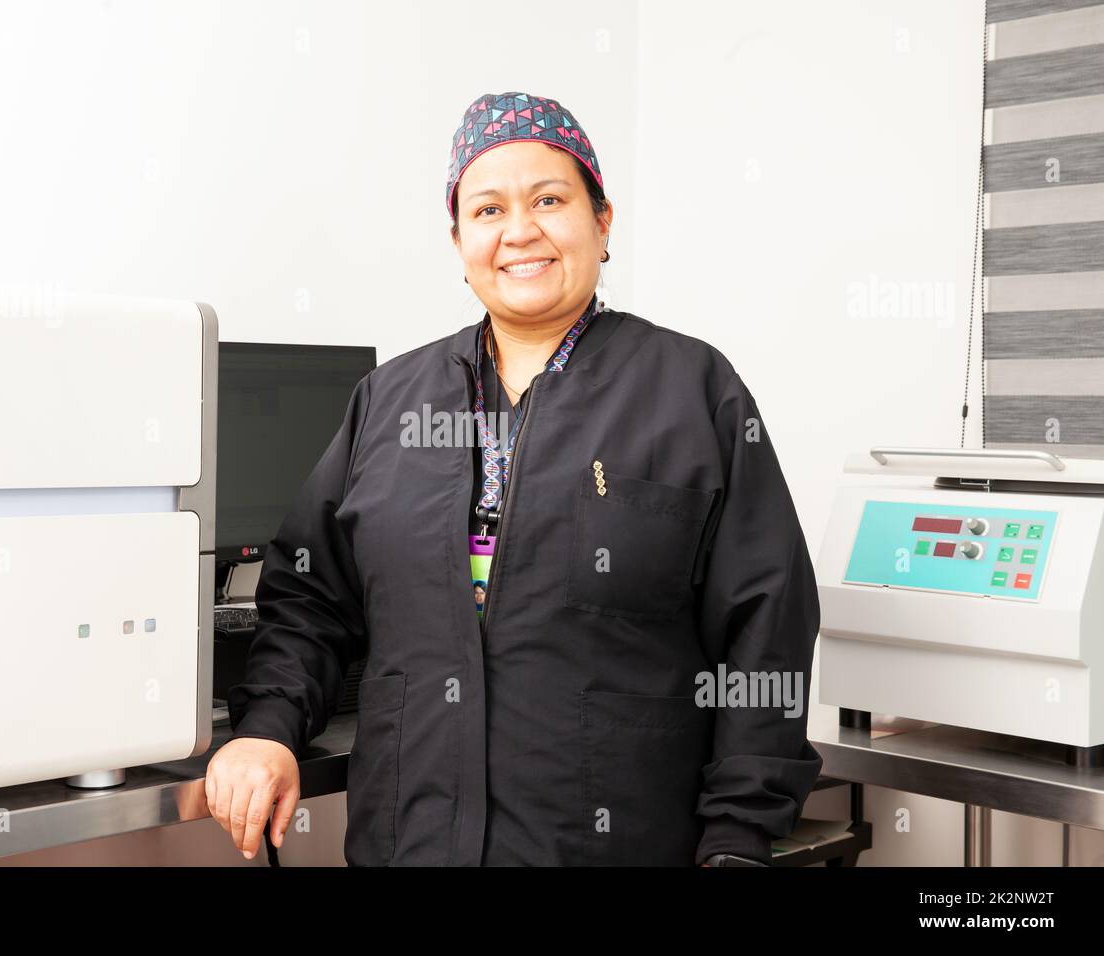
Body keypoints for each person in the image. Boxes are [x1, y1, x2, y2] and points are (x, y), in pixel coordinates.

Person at [206, 91, 822, 866]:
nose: (519, 230)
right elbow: (310, 596)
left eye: (550, 199)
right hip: (415, 841)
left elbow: (766, 627)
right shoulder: (391, 399)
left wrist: (739, 833)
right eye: (488, 209)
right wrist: (267, 729)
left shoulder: (693, 390)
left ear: (603, 223)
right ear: (460, 240)